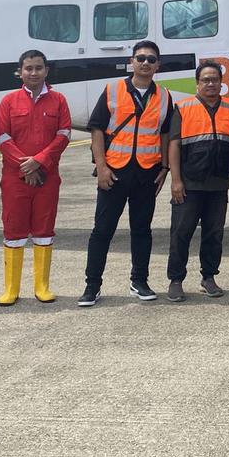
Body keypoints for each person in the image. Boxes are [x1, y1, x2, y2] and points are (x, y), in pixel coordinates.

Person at [79, 41, 174, 307]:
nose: (145, 63)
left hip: (147, 172)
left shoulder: (165, 97)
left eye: (151, 59)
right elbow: (97, 129)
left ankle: (139, 281)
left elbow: (166, 134)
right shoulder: (112, 90)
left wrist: (165, 168)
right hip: (114, 171)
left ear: (158, 65)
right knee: (102, 231)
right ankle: (92, 285)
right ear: (131, 61)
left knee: (142, 230)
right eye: (141, 58)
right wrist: (101, 167)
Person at [0, 49, 72, 306]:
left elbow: (64, 135)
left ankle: (42, 286)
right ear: (20, 72)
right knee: (13, 230)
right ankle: (11, 289)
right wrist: (26, 166)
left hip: (47, 177)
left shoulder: (58, 100)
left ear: (46, 71)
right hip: (15, 178)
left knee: (44, 230)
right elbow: (2, 138)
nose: (33, 73)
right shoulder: (8, 101)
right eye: (28, 68)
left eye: (38, 68)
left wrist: (40, 161)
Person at [165, 61, 229, 302]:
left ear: (222, 83)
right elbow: (174, 144)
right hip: (189, 184)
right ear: (197, 83)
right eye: (205, 80)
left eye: (215, 79)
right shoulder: (183, 107)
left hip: (218, 184)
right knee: (181, 233)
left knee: (214, 233)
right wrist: (176, 181)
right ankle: (176, 280)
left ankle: (208, 277)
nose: (210, 83)